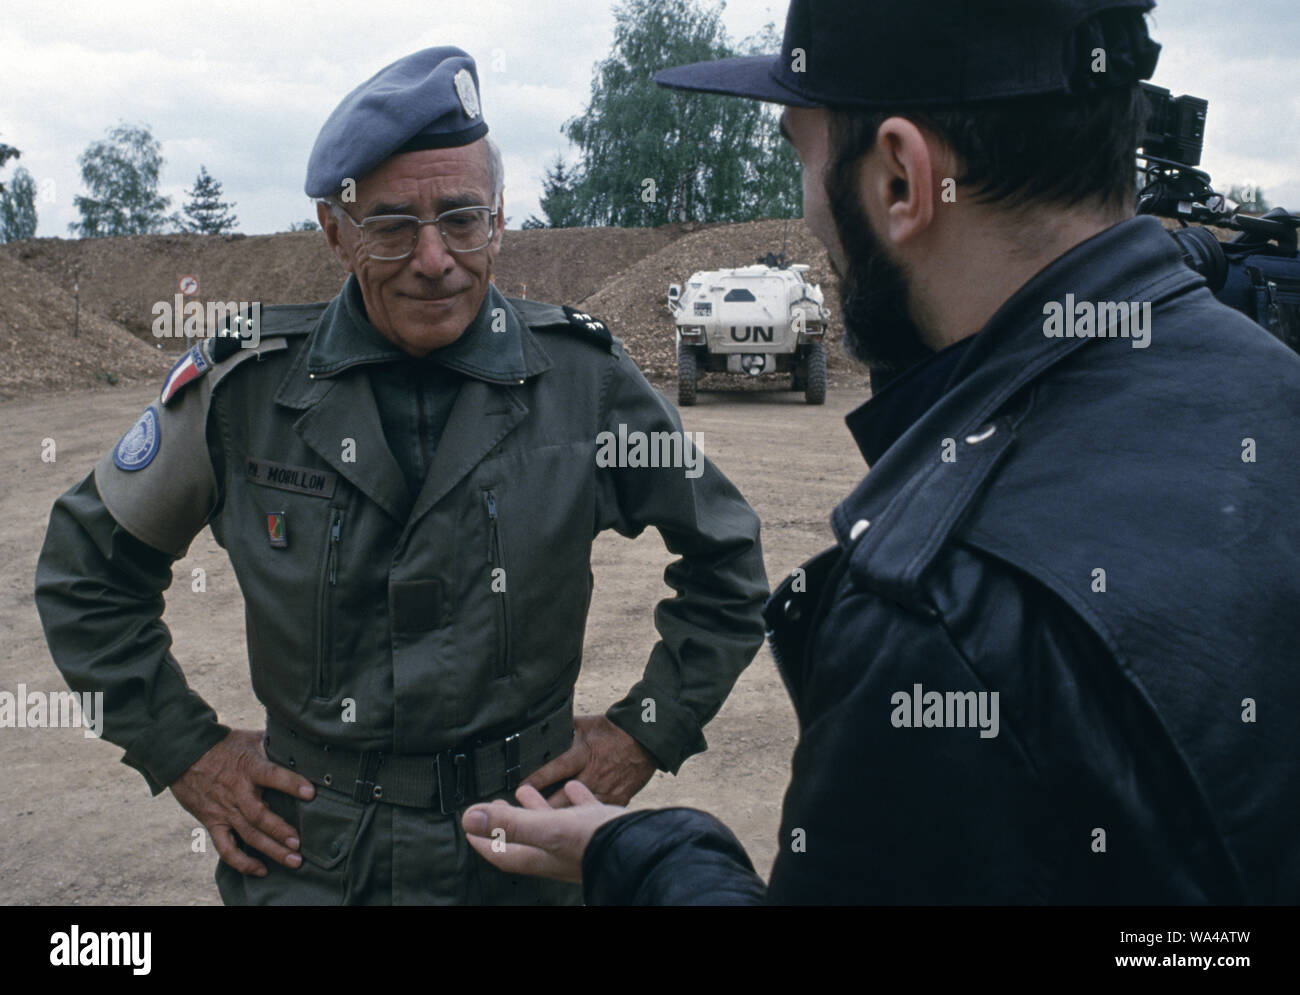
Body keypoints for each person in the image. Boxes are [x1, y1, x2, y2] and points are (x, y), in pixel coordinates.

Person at [461, 0, 1300, 904]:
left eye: (804, 156)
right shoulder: (1273, 386)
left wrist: (645, 852)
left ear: (901, 179)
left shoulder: (941, 614)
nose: (811, 204)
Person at [33, 46, 769, 905]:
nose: (434, 258)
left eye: (462, 219)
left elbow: (728, 562)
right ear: (334, 230)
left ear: (498, 219)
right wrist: (183, 748)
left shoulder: (585, 382)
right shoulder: (247, 391)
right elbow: (87, 570)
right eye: (391, 227)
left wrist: (646, 729)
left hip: (522, 848)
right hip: (312, 858)